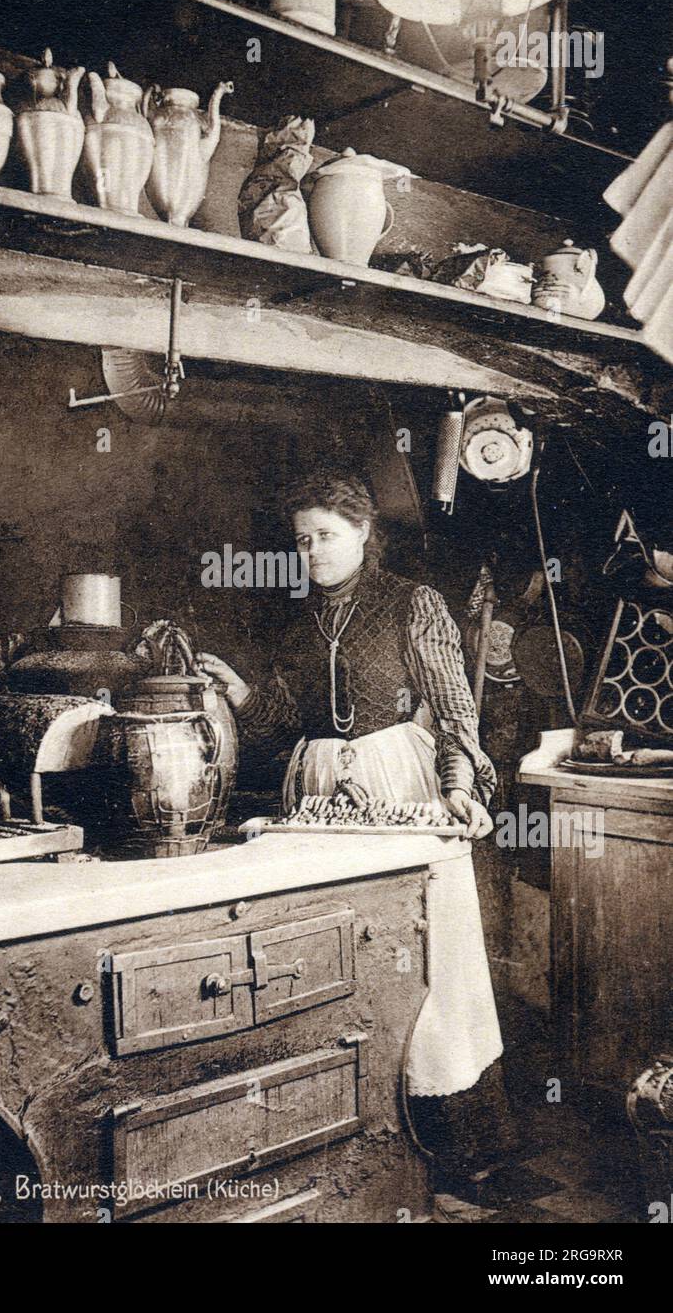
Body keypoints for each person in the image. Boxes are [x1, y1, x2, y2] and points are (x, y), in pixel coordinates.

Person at [198, 469, 517, 1180]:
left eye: (327, 536)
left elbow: (455, 712)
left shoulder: (415, 604)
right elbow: (285, 724)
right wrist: (240, 691)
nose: (312, 551)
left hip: (400, 783)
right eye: (302, 539)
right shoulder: (296, 624)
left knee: (431, 956)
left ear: (365, 533)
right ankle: (354, 1135)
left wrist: (459, 789)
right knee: (339, 948)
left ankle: (457, 1143)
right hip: (315, 794)